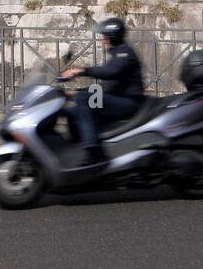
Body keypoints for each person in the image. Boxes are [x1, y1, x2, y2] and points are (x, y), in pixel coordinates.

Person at [60, 17, 145, 164]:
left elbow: (110, 72)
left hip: (129, 102)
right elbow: (107, 86)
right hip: (118, 98)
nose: (102, 40)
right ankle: (75, 149)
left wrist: (80, 71)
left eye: (104, 36)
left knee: (83, 99)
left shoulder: (124, 53)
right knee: (72, 111)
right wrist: (72, 93)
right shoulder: (117, 54)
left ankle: (94, 152)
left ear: (111, 37)